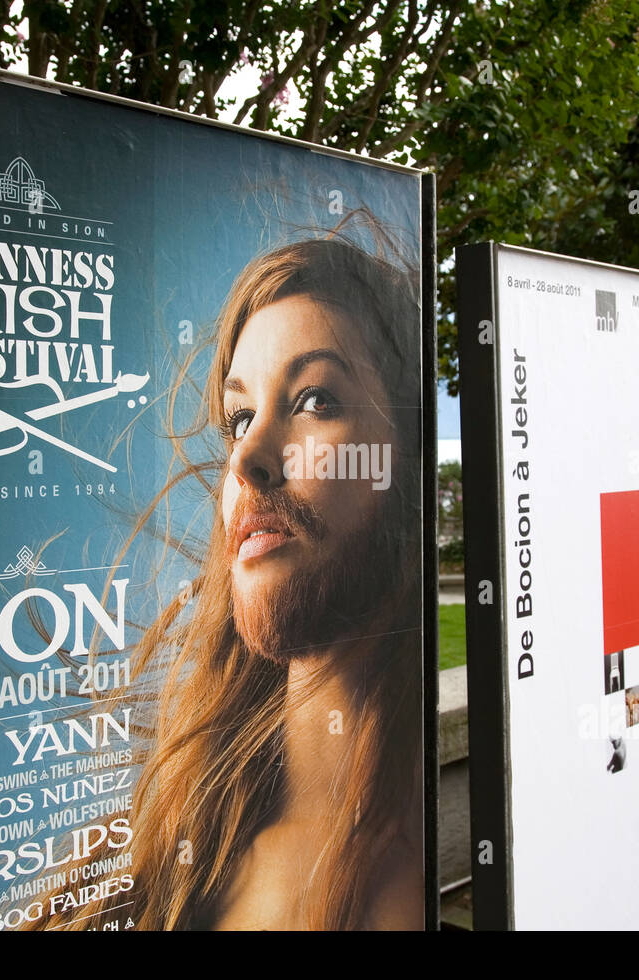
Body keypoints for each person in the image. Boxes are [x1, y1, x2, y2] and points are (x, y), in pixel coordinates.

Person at [28, 232, 425, 930]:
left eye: (314, 401)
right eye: (240, 418)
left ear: (408, 462)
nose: (247, 460)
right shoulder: (172, 838)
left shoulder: (427, 860)